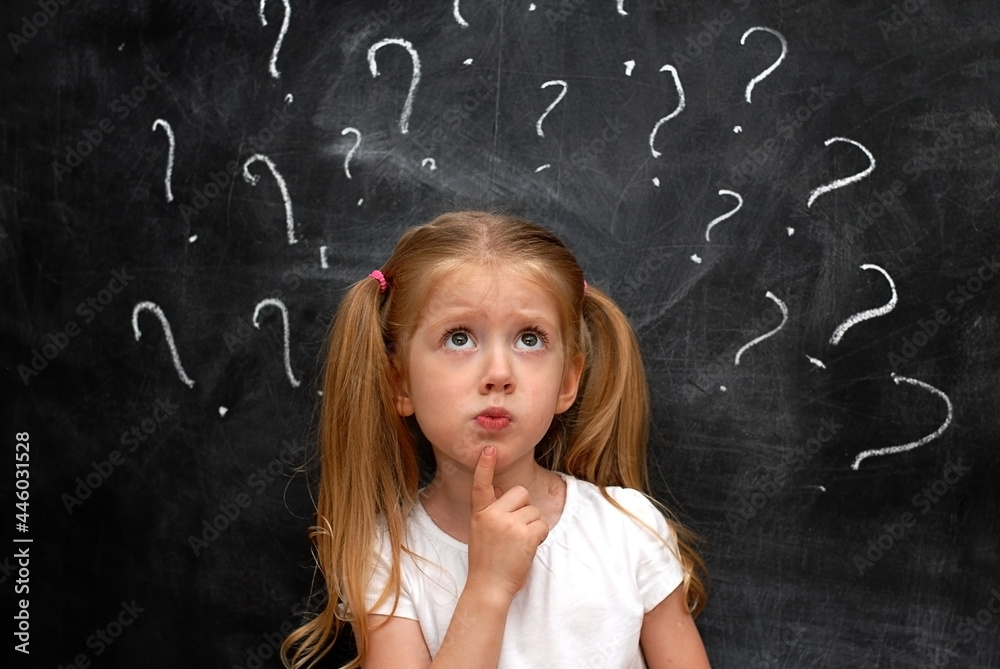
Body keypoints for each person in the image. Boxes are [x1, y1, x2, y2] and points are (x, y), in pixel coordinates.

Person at [282, 210, 710, 669]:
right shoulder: (390, 560)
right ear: (399, 382)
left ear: (568, 382)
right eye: (460, 338)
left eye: (529, 339)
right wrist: (486, 588)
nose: (499, 374)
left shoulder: (628, 531)